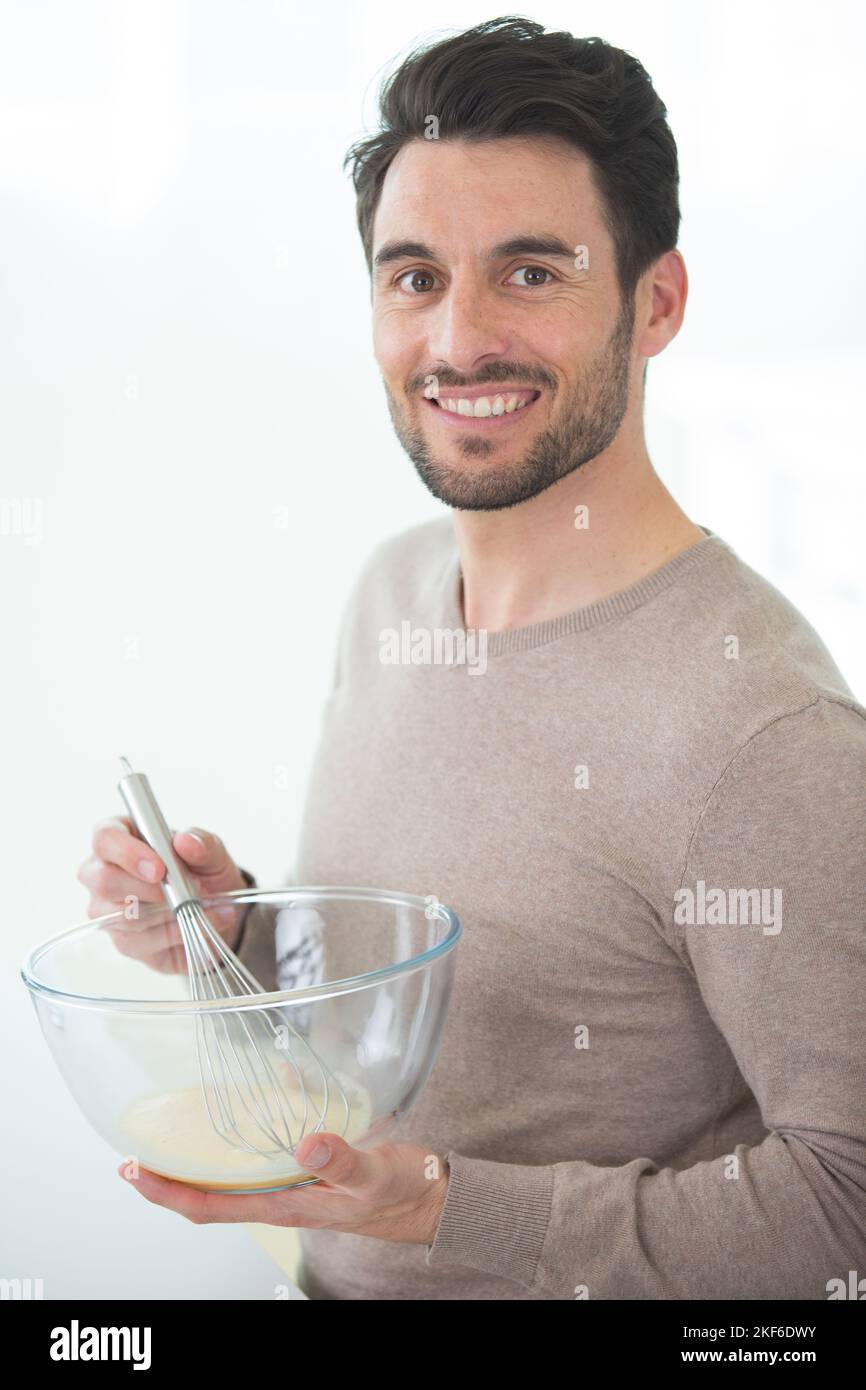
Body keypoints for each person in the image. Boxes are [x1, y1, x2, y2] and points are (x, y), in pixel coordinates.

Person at [78, 17, 866, 1300]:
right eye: (414, 278)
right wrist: (232, 941)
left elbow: (846, 1209)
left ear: (653, 301)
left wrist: (443, 1208)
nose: (457, 342)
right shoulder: (391, 589)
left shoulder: (762, 732)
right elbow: (429, 1035)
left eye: (530, 273)